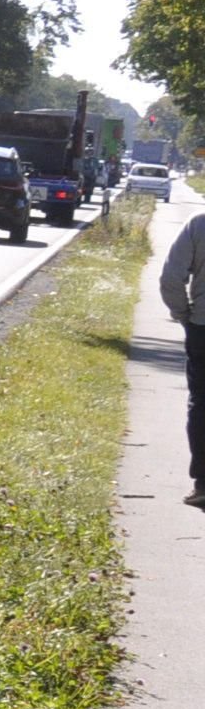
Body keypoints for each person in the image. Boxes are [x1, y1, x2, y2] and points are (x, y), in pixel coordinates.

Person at [166, 206, 205, 507]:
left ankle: (204, 483)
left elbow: (171, 277)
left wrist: (183, 314)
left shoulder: (198, 224)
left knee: (202, 402)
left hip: (203, 327)